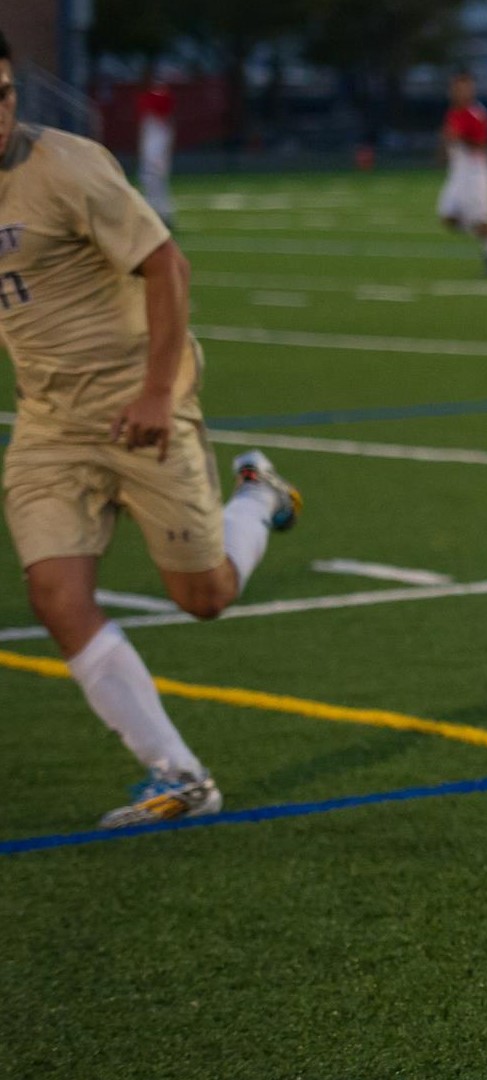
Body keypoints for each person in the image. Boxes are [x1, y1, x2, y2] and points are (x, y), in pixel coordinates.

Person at [0, 31, 303, 828]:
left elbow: (168, 266)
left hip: (141, 400)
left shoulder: (66, 166)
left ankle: (257, 498)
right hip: (49, 422)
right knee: (54, 592)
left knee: (204, 597)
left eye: (1, 95)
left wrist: (159, 393)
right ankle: (179, 773)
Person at [438, 72, 487, 275]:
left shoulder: (476, 113)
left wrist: (462, 138)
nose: (459, 92)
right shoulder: (453, 112)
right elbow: (447, 139)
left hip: (475, 173)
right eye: (456, 88)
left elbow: (483, 144)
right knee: (448, 218)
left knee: (482, 221)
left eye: (464, 88)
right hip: (458, 171)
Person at [134, 70, 174, 227]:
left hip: (156, 152)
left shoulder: (160, 124)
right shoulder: (153, 123)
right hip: (154, 149)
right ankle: (157, 212)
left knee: (155, 180)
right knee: (151, 180)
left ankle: (161, 213)